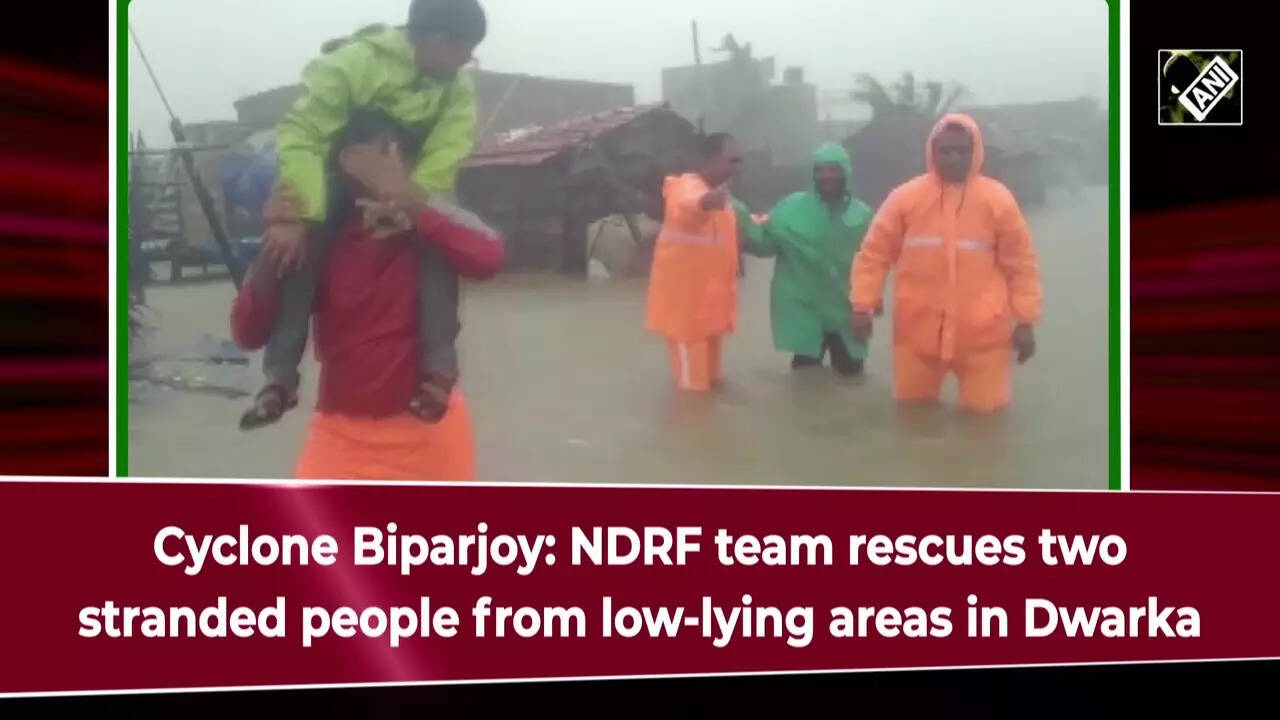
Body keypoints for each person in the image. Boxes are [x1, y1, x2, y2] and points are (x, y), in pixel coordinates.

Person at [241, 0, 487, 430]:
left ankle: (439, 371)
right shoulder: (355, 62)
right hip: (331, 177)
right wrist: (300, 215)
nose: (467, 63)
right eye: (464, 52)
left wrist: (406, 201)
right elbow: (304, 133)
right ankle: (279, 377)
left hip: (406, 185)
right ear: (436, 41)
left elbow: (448, 149)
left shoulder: (457, 89)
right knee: (302, 255)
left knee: (436, 249)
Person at [231, 110, 504, 480]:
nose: (377, 168)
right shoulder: (314, 238)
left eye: (389, 154)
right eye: (361, 155)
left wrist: (413, 206)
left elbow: (489, 259)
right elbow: (247, 334)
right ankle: (279, 386)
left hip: (429, 433)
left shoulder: (434, 223)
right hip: (339, 437)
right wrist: (274, 245)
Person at [849, 113, 1042, 413]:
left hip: (983, 337)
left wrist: (1025, 321)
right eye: (946, 150)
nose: (953, 158)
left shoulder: (998, 200)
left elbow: (1021, 264)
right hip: (916, 335)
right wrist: (862, 305)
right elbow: (874, 254)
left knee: (986, 424)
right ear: (932, 151)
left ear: (975, 152)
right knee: (913, 420)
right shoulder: (904, 198)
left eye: (962, 151)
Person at [736, 142, 873, 376]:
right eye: (820, 170)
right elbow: (767, 243)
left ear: (846, 172)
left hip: (847, 309)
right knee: (806, 379)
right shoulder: (790, 209)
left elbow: (875, 264)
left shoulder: (863, 216)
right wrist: (740, 219)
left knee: (851, 373)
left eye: (833, 169)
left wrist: (867, 307)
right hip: (804, 307)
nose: (826, 176)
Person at [644, 133, 744, 392]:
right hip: (686, 317)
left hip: (710, 312)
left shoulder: (721, 199)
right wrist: (704, 203)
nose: (737, 168)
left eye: (739, 161)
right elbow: (687, 207)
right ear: (710, 160)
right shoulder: (687, 188)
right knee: (693, 397)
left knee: (712, 385)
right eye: (731, 161)